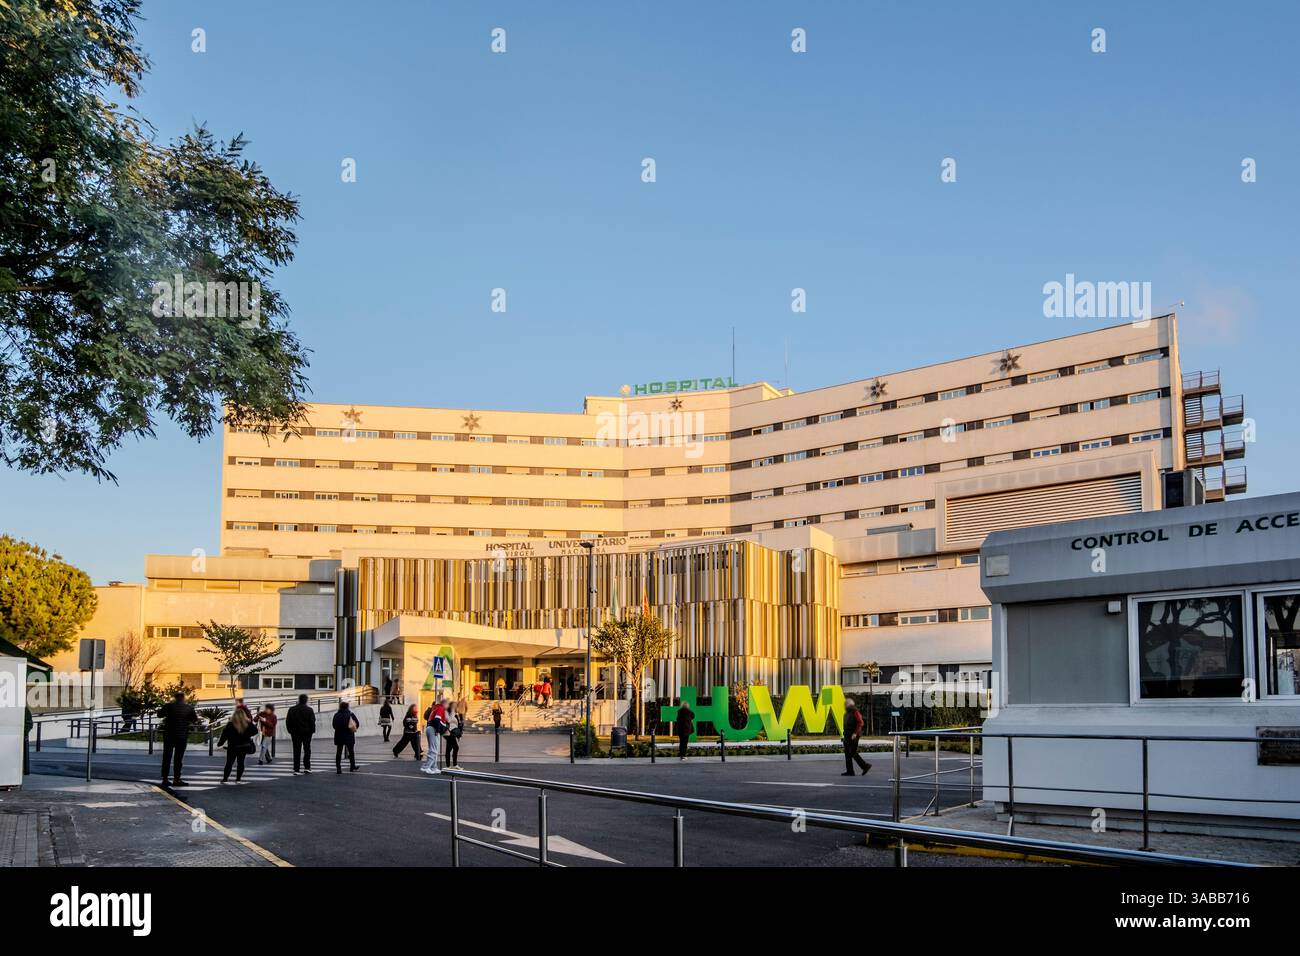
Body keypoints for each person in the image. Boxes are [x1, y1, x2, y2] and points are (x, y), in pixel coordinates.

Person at [157, 690, 200, 787]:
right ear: (183, 698)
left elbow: (159, 715)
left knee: (167, 757)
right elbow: (195, 720)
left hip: (169, 735)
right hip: (182, 736)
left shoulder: (169, 706)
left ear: (175, 698)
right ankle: (177, 779)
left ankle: (165, 778)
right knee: (178, 758)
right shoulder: (188, 708)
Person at [218, 708, 258, 783]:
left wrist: (220, 742)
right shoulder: (247, 724)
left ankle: (225, 778)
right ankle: (238, 778)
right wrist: (247, 733)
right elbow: (255, 731)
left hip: (232, 746)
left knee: (229, 763)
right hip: (243, 746)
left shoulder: (230, 724)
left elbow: (225, 734)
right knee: (241, 763)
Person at [285, 694, 316, 774]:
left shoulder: (292, 709)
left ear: (299, 700)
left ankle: (296, 769)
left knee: (296, 751)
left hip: (295, 733)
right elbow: (312, 721)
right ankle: (307, 767)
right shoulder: (309, 710)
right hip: (307, 733)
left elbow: (288, 721)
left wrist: (290, 731)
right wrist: (312, 731)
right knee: (307, 750)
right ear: (306, 700)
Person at [841, 698, 872, 777]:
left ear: (849, 704)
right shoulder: (846, 713)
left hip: (853, 736)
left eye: (846, 704)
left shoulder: (855, 712)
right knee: (847, 753)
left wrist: (855, 733)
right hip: (847, 736)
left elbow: (860, 723)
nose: (844, 705)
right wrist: (844, 736)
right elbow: (846, 725)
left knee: (852, 752)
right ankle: (850, 771)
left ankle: (865, 766)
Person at [333, 701, 360, 773]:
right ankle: (352, 766)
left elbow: (334, 725)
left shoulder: (336, 715)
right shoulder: (350, 714)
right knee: (351, 751)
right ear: (347, 707)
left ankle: (338, 768)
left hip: (339, 735)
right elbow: (357, 723)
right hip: (349, 735)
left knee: (339, 752)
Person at [421, 700, 447, 774]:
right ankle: (426, 767)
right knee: (434, 750)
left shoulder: (435, 708)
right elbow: (437, 719)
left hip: (430, 728)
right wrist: (437, 730)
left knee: (434, 749)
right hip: (433, 729)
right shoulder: (440, 708)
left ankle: (433, 767)